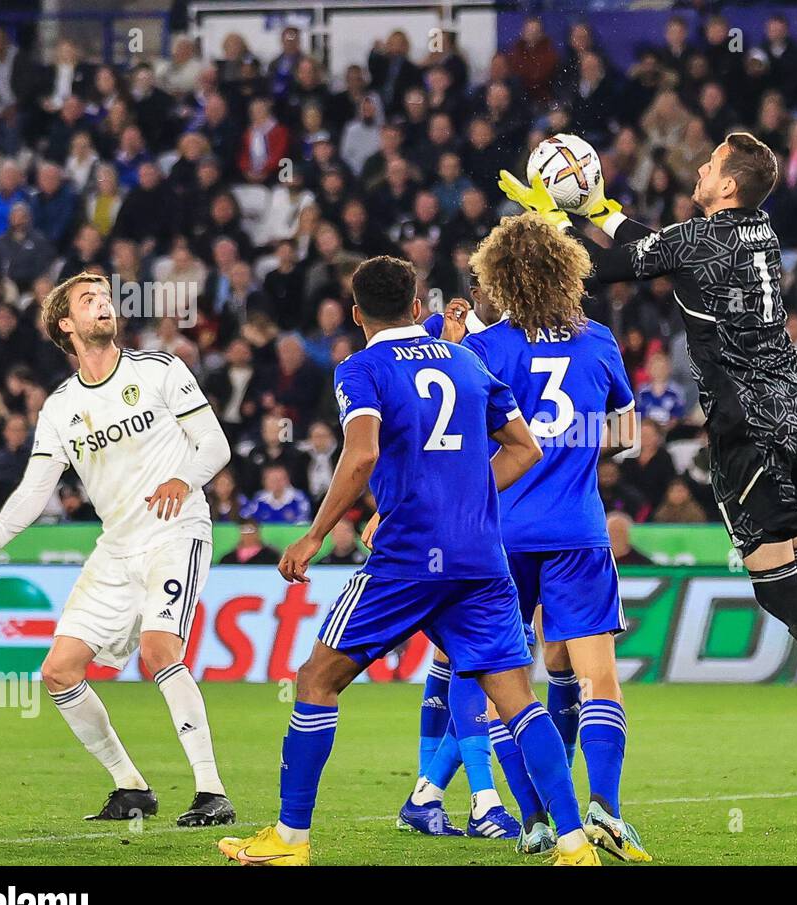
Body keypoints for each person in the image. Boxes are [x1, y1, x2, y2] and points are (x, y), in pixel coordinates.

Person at [500, 132, 797, 785]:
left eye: (709, 163)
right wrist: (596, 207)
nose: (698, 165)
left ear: (728, 187)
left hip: (743, 429)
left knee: (777, 593)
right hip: (795, 419)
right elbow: (655, 245)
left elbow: (601, 271)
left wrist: (551, 221)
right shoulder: (760, 232)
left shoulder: (697, 240)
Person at [218, 256, 599, 866]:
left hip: (408, 557)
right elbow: (525, 448)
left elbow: (361, 452)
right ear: (418, 306)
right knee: (517, 699)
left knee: (318, 679)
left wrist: (315, 535)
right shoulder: (469, 361)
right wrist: (467, 498)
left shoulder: (360, 369)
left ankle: (290, 840)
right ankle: (576, 844)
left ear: (355, 313)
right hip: (481, 558)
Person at [0, 274, 235, 827]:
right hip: (116, 548)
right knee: (58, 671)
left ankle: (212, 793)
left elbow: (216, 445)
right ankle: (130, 787)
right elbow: (36, 489)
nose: (103, 304)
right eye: (89, 300)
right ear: (66, 324)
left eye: (106, 297)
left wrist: (182, 479)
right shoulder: (60, 408)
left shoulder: (158, 370)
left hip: (175, 533)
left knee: (160, 651)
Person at [463, 213, 647, 860]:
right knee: (598, 675)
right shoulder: (599, 341)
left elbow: (466, 440)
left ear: (501, 278)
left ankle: (537, 820)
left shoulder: (486, 350)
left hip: (501, 535)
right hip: (577, 529)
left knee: (506, 687)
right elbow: (628, 437)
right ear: (570, 269)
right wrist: (587, 444)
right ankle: (605, 810)